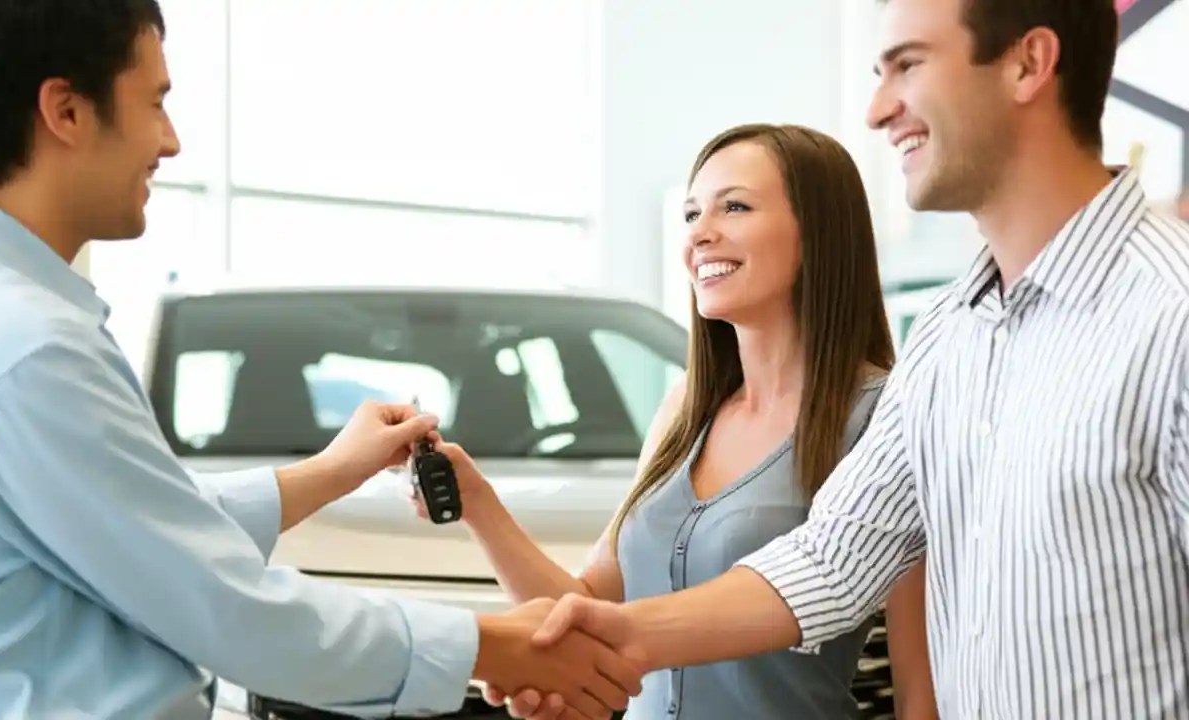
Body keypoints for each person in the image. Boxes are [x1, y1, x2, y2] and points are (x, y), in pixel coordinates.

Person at [0, 2, 641, 719]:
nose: (170, 142)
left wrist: (329, 472)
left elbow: (139, 520)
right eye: (156, 103)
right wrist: (495, 643)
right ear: (66, 112)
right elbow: (222, 603)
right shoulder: (28, 346)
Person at [506, 0, 1189, 717]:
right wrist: (619, 635)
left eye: (909, 66)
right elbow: (831, 560)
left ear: (1028, 63)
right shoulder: (947, 339)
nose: (876, 109)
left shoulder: (1170, 315)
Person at [416, 124, 937, 719]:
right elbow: (584, 610)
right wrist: (478, 503)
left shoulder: (885, 418)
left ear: (818, 233)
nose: (700, 235)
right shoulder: (685, 410)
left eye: (734, 206)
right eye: (691, 214)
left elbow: (918, 689)